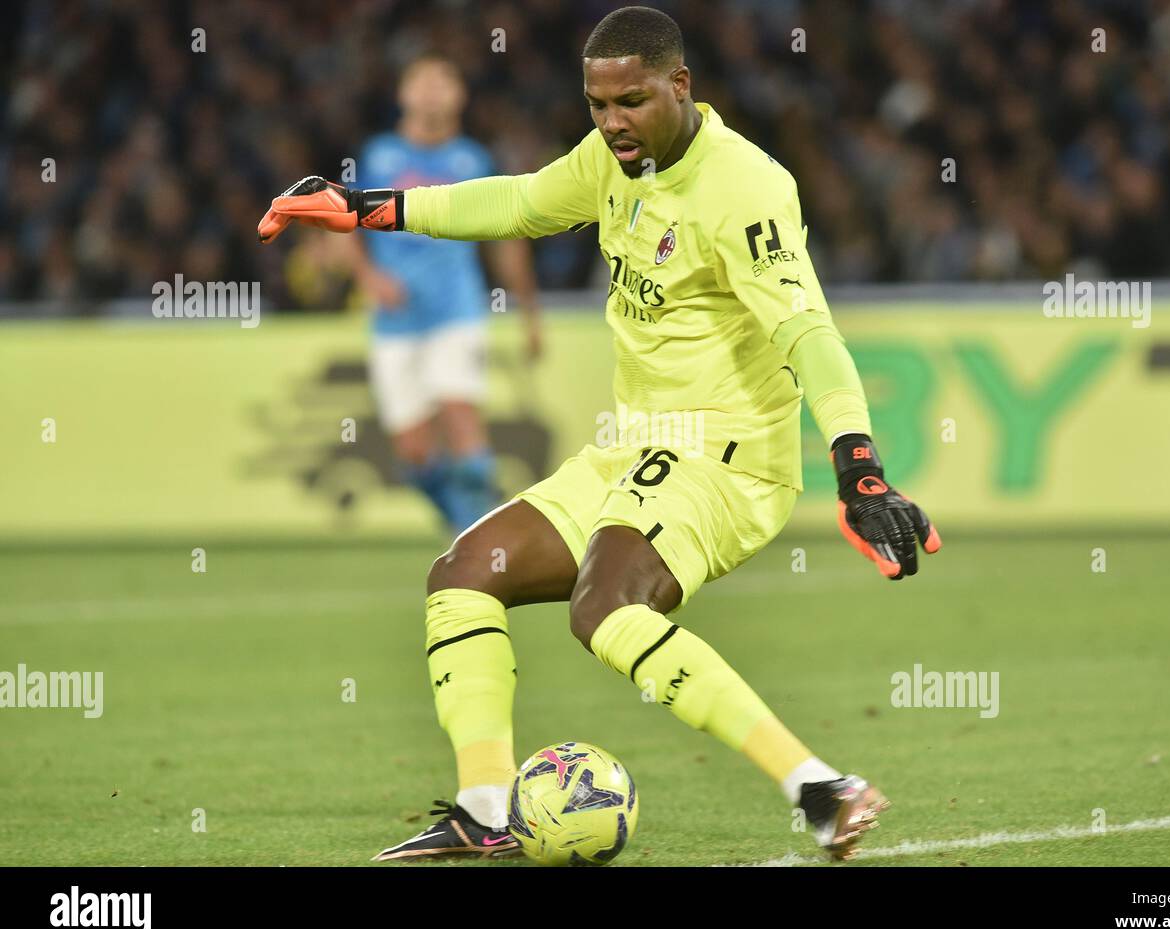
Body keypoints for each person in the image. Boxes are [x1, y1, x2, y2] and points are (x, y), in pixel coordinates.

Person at [258, 5, 940, 862]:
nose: (613, 124)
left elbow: (810, 335)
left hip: (726, 463)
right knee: (462, 575)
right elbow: (516, 202)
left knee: (604, 608)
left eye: (631, 101)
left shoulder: (748, 188)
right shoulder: (614, 160)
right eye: (597, 105)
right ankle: (484, 812)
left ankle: (817, 788)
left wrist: (859, 465)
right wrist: (365, 210)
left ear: (679, 85)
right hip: (633, 449)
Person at [347, 53, 542, 534]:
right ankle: (466, 524)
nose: (433, 90)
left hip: (457, 310)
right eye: (422, 81)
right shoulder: (377, 157)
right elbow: (339, 221)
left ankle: (483, 544)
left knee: (460, 418)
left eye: (444, 80)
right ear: (403, 94)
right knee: (413, 454)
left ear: (460, 96)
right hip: (395, 321)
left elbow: (509, 238)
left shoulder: (473, 161)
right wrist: (368, 277)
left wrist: (529, 315)